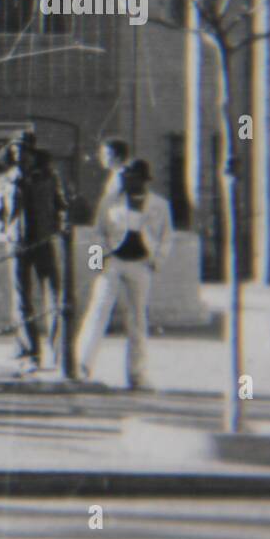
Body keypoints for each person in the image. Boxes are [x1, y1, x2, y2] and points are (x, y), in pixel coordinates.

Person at [77, 160, 172, 390]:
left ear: (143, 178)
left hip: (140, 265)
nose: (128, 181)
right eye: (125, 177)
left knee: (138, 319)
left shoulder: (159, 205)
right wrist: (96, 262)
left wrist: (156, 262)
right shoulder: (110, 202)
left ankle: (137, 374)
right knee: (98, 311)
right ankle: (82, 365)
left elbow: (166, 237)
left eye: (133, 176)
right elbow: (97, 233)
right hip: (113, 262)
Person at [0, 131, 69, 372]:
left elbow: (62, 205)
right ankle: (29, 349)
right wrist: (6, 230)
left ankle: (59, 350)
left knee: (55, 295)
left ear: (34, 155)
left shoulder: (49, 178)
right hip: (18, 244)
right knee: (22, 299)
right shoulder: (7, 180)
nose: (21, 156)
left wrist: (58, 225)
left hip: (43, 242)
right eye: (16, 152)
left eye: (25, 152)